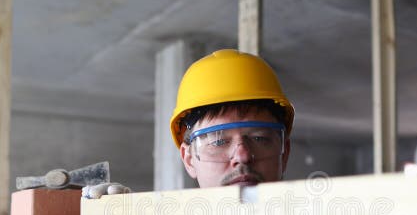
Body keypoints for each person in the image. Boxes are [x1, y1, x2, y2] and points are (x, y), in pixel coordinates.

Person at [84, 49, 294, 197]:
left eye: (259, 138)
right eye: (219, 141)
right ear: (189, 159)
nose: (243, 156)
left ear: (284, 153)